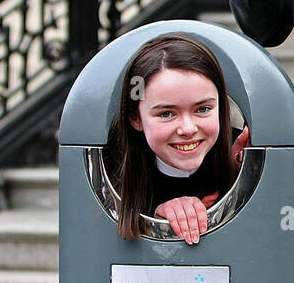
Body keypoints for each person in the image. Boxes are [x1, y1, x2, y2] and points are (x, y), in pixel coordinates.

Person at [106, 34, 250, 243]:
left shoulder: (242, 151)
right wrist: (158, 216)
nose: (188, 128)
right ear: (136, 118)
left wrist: (245, 170)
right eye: (166, 113)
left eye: (203, 109)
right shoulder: (113, 170)